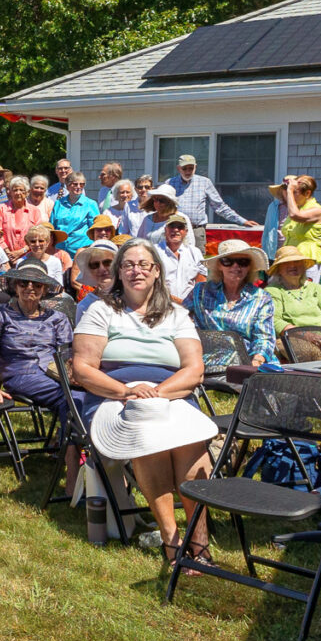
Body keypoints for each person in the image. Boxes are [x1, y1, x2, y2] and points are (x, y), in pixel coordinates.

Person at [69, 238, 217, 562]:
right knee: (147, 428)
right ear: (119, 272)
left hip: (168, 391)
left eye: (144, 265)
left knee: (192, 440)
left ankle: (200, 541)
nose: (136, 270)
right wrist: (127, 391)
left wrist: (158, 392)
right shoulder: (101, 309)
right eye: (128, 264)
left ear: (156, 272)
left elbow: (194, 368)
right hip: (115, 395)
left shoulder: (176, 314)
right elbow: (82, 368)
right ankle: (172, 539)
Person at [0, 263, 79, 490]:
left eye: (36, 284)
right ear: (15, 286)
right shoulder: (1, 313)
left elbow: (68, 353)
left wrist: (75, 376)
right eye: (23, 283)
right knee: (69, 401)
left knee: (82, 397)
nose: (29, 287)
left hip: (55, 372)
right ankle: (72, 466)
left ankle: (77, 452)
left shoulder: (57, 317)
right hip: (20, 373)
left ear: (44, 289)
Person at [188, 240, 277, 368]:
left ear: (249, 268)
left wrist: (255, 362)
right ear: (219, 266)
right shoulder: (200, 292)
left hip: (248, 362)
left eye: (243, 262)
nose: (235, 266)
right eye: (228, 261)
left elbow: (264, 338)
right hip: (210, 363)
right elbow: (179, 317)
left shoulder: (262, 298)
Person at [162, 153, 252, 252]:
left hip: (197, 230)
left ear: (195, 167)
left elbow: (219, 206)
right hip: (175, 230)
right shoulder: (169, 183)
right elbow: (161, 206)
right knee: (173, 258)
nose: (188, 171)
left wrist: (242, 221)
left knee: (198, 261)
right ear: (179, 168)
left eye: (191, 168)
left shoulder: (205, 182)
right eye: (184, 168)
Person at [266, 245, 321, 360]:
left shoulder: (316, 288)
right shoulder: (273, 291)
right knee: (312, 352)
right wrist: (308, 335)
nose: (293, 266)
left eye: (297, 262)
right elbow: (276, 321)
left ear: (304, 266)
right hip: (291, 338)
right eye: (287, 263)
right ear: (279, 270)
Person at [268, 175, 321, 280]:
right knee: (274, 287)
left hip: (307, 259)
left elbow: (296, 216)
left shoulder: (317, 210)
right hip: (287, 258)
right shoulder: (296, 209)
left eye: (295, 192)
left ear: (307, 193)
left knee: (304, 293)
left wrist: (290, 190)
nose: (290, 196)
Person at [156, 213, 204, 302]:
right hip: (162, 303)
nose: (176, 230)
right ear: (165, 230)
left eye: (180, 227)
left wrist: (193, 301)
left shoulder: (195, 252)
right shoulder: (155, 251)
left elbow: (201, 279)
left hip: (189, 306)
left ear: (186, 232)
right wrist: (178, 302)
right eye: (172, 226)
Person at [49, 172, 99, 255]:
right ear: (68, 186)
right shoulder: (58, 203)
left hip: (81, 250)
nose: (79, 187)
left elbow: (95, 229)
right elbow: (52, 226)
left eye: (82, 184)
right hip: (60, 250)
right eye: (75, 184)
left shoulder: (90, 204)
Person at [0, 177, 45, 256]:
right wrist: (8, 253)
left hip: (28, 256)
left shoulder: (35, 211)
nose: (18, 193)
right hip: (4, 256)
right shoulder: (1, 209)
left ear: (27, 192)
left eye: (21, 190)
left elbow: (38, 236)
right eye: (15, 190)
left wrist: (21, 252)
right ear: (10, 192)